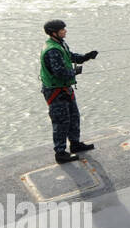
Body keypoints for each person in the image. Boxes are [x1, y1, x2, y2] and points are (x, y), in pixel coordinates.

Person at [40, 19, 97, 164]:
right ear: (54, 33)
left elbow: (70, 56)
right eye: (62, 30)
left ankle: (75, 144)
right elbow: (59, 73)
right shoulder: (52, 49)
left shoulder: (60, 44)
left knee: (73, 116)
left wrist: (85, 57)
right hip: (56, 91)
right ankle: (60, 153)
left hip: (65, 88)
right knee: (61, 121)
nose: (65, 31)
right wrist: (75, 72)